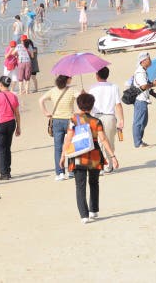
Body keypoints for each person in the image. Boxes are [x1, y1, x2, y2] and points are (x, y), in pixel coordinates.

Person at [63, 93, 119, 224]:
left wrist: (62, 156)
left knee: (80, 186)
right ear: (92, 106)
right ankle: (93, 210)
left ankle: (84, 215)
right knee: (94, 183)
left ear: (79, 105)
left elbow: (68, 139)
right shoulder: (96, 121)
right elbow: (103, 139)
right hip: (94, 154)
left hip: (78, 155)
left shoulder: (73, 120)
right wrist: (113, 156)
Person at [39, 75, 78, 180]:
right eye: (70, 77)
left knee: (58, 148)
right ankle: (71, 170)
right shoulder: (72, 90)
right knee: (71, 145)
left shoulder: (53, 91)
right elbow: (81, 98)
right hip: (70, 120)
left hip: (57, 121)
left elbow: (41, 100)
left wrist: (46, 113)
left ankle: (60, 173)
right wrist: (83, 93)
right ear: (67, 80)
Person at [88, 67, 123, 173]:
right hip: (109, 117)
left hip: (95, 117)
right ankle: (108, 165)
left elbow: (89, 105)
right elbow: (118, 104)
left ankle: (103, 165)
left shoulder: (92, 87)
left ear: (97, 76)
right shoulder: (114, 86)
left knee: (98, 142)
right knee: (109, 141)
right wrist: (121, 119)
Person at [133, 52, 156, 148]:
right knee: (139, 122)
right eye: (149, 59)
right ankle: (138, 143)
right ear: (143, 61)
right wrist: (153, 84)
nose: (150, 60)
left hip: (143, 100)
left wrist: (152, 83)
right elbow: (143, 86)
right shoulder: (140, 72)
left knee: (143, 122)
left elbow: (145, 85)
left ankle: (139, 141)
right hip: (140, 100)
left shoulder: (143, 71)